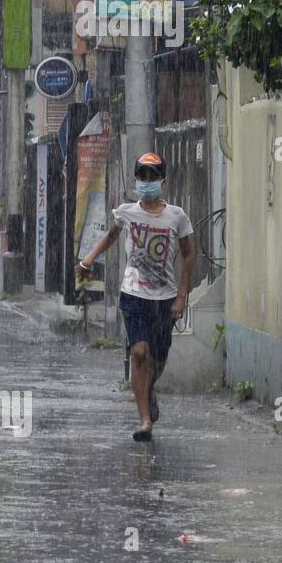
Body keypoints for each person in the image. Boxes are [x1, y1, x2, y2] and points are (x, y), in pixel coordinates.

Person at [76, 152, 195, 442]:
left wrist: (181, 296)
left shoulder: (176, 216)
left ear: (163, 181)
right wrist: (87, 260)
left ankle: (149, 390)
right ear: (136, 180)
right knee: (139, 353)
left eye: (153, 176)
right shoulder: (126, 212)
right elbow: (110, 237)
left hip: (164, 297)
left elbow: (190, 254)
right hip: (133, 294)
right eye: (142, 176)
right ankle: (144, 421)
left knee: (158, 358)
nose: (147, 182)